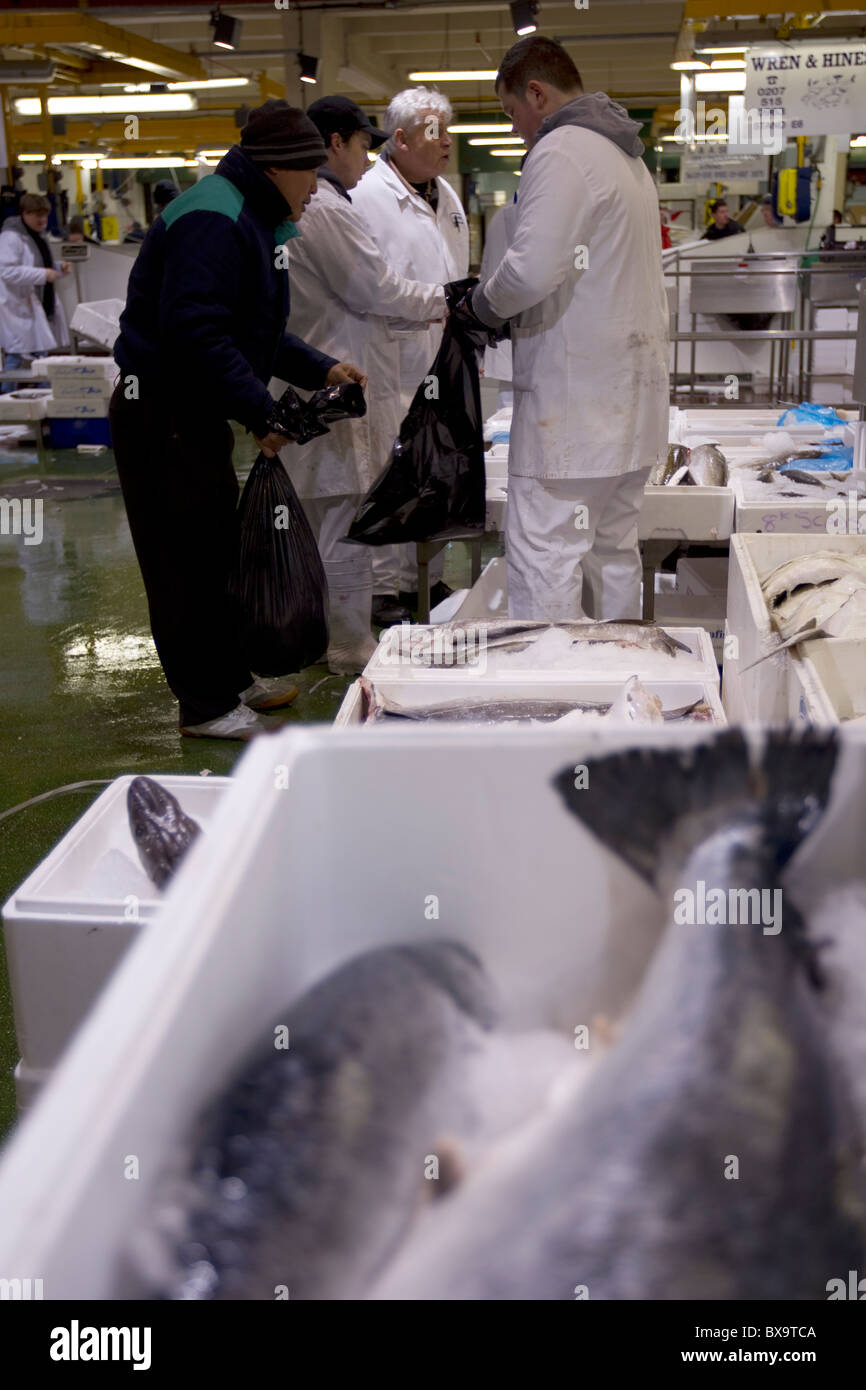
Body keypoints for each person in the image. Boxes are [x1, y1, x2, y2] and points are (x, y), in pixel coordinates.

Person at [111, 100, 365, 741]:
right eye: (311, 172)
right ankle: (203, 705)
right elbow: (196, 333)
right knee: (183, 564)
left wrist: (322, 367)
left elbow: (256, 333)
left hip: (191, 414)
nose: (317, 187)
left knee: (218, 552)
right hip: (161, 413)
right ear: (278, 167)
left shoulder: (254, 217)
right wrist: (262, 410)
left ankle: (230, 676)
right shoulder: (216, 218)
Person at [456, 34, 669, 622]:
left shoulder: (561, 151)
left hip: (575, 414)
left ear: (536, 92)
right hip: (629, 410)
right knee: (613, 552)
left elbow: (528, 271)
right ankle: (622, 693)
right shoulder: (627, 156)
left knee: (546, 555)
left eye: (512, 113)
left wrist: (479, 307)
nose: (517, 128)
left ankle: (555, 703)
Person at [278, 95, 447, 673]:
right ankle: (346, 644)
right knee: (341, 519)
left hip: (324, 374)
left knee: (330, 515)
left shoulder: (321, 203)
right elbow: (374, 286)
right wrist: (446, 301)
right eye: (362, 143)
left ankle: (328, 636)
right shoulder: (324, 207)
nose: (366, 155)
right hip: (334, 382)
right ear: (335, 142)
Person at [351, 85, 469, 627]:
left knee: (436, 465)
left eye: (449, 130)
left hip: (442, 354)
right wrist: (443, 301)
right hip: (390, 356)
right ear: (399, 139)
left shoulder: (445, 193)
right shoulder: (366, 196)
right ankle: (382, 591)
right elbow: (373, 286)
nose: (446, 141)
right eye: (433, 132)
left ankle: (422, 573)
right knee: (388, 469)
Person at [0, 192, 71, 392]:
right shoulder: (10, 237)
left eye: (45, 215)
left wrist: (57, 267)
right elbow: (6, 271)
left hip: (34, 305)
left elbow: (38, 264)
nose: (42, 220)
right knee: (17, 356)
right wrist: (43, 274)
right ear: (24, 213)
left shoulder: (36, 236)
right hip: (16, 307)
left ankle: (43, 396)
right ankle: (7, 405)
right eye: (37, 215)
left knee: (39, 356)